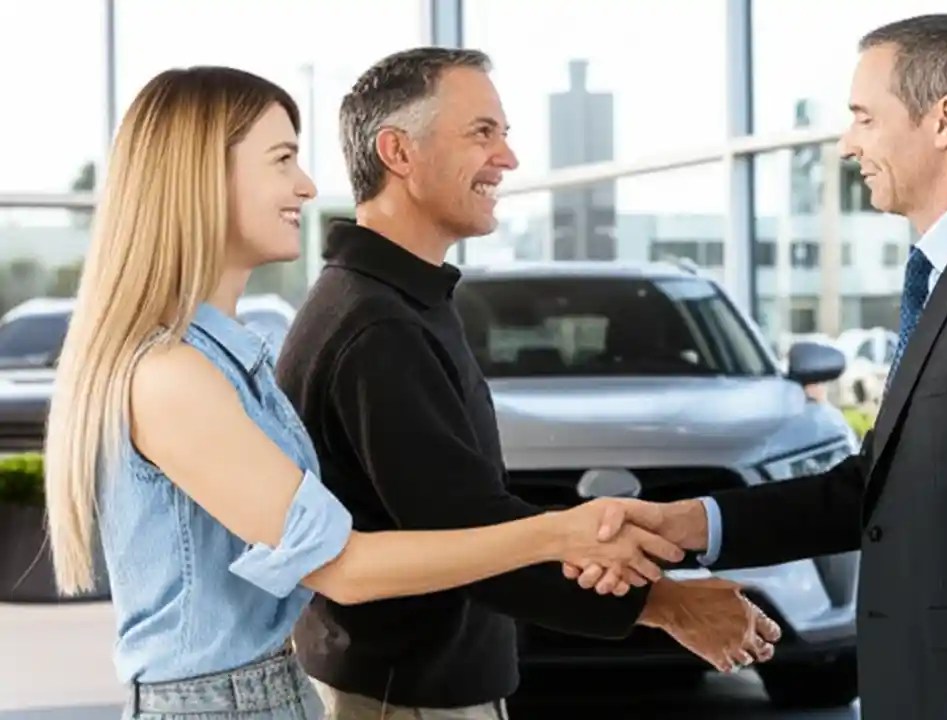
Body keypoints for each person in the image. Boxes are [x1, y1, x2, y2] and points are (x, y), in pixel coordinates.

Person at [40, 66, 691, 720]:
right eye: (282, 159)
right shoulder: (173, 376)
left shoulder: (230, 356)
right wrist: (560, 534)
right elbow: (344, 567)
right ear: (202, 176)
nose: (307, 184)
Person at [570, 13, 947, 720]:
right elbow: (876, 490)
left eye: (864, 118)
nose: (848, 144)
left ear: (943, 119)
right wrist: (693, 522)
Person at [274, 47, 779, 719]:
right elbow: (469, 531)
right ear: (398, 151)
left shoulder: (398, 301)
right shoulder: (377, 326)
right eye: (482, 133)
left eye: (504, 135)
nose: (507, 159)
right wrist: (667, 604)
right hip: (408, 697)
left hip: (416, 684)